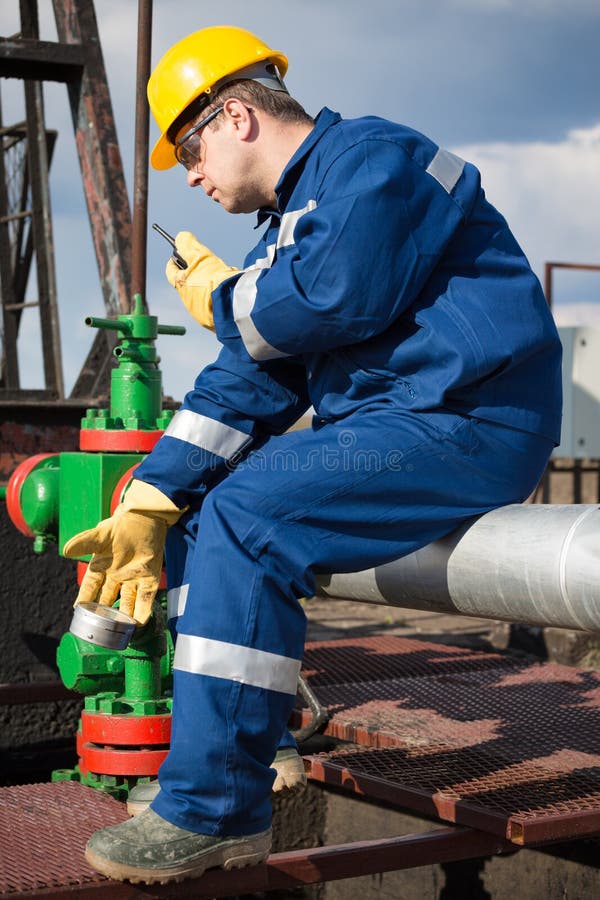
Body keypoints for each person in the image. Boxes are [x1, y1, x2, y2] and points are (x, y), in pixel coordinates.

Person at [63, 25, 562, 885]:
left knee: (249, 515)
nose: (191, 177)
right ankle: (251, 736)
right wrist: (153, 494)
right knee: (194, 514)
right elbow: (250, 379)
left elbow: (331, 297)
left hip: (469, 416)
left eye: (190, 152)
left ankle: (216, 810)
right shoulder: (291, 225)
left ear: (235, 116)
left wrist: (225, 297)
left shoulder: (376, 159)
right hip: (397, 424)